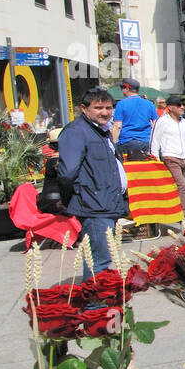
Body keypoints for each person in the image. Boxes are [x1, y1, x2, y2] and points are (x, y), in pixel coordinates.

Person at [57, 88, 128, 279]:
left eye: (108, 107)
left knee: (103, 258)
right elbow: (67, 173)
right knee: (99, 261)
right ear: (84, 108)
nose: (105, 112)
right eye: (98, 108)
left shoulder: (101, 131)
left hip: (107, 203)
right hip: (94, 206)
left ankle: (100, 301)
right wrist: (73, 198)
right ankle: (94, 305)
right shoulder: (76, 132)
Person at [150, 95, 185, 225]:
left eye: (183, 105)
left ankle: (176, 212)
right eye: (179, 105)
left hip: (184, 156)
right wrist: (155, 157)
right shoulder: (162, 121)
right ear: (170, 108)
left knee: (177, 187)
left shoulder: (184, 122)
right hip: (170, 156)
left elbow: (184, 139)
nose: (182, 107)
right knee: (181, 186)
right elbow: (154, 139)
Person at [113, 79, 157, 158]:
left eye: (122, 88)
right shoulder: (149, 104)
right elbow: (155, 125)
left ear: (127, 88)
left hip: (127, 142)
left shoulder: (121, 104)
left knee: (129, 168)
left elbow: (117, 126)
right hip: (146, 142)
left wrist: (113, 144)